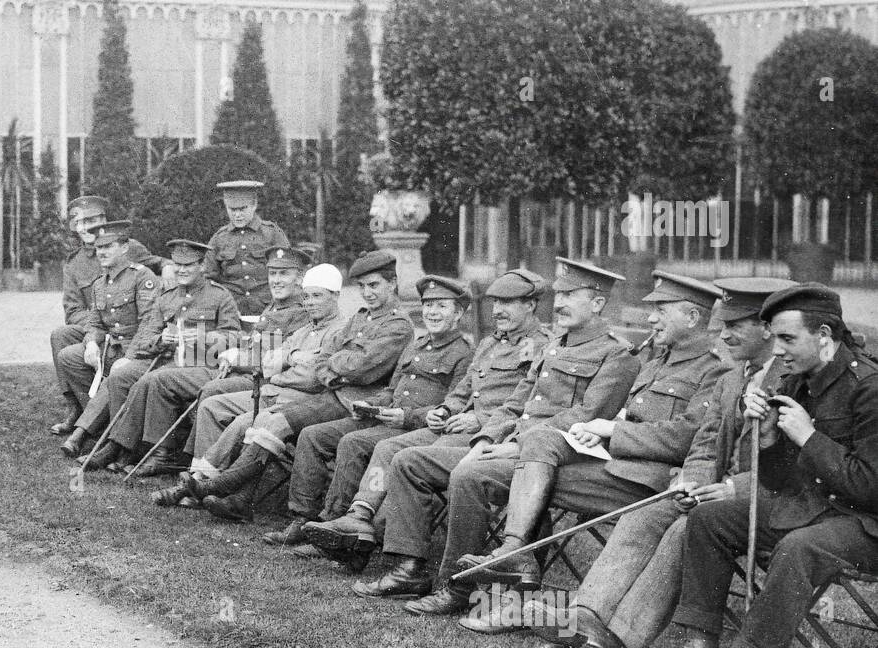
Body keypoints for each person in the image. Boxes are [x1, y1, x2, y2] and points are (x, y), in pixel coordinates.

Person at [639, 283, 878, 648]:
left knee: (800, 546)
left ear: (824, 335)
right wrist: (768, 439)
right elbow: (778, 481)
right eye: (777, 338)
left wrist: (807, 435)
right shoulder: (796, 381)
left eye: (789, 339)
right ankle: (701, 646)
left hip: (864, 524)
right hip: (814, 508)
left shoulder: (870, 387)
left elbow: (870, 487)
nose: (779, 349)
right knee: (711, 518)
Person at [532, 277, 792, 648]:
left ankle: (610, 639)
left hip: (762, 502)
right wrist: (693, 479)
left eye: (734, 326)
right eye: (723, 325)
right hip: (710, 494)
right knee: (647, 514)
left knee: (683, 529)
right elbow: (705, 445)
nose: (723, 334)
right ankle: (584, 616)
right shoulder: (733, 379)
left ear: (766, 328)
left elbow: (795, 469)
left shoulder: (791, 380)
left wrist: (729, 487)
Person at [353, 257, 639, 604]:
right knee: (408, 460)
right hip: (511, 447)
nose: (560, 303)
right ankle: (408, 569)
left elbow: (585, 418)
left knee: (469, 475)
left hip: (554, 460)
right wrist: (484, 439)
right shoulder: (556, 345)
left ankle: (455, 585)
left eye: (570, 295)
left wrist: (513, 446)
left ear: (597, 303)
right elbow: (515, 404)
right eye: (559, 295)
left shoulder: (617, 354)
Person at [451, 271, 729, 599]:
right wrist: (597, 434)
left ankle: (512, 577)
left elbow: (686, 436)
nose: (651, 318)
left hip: (649, 480)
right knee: (536, 455)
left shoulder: (713, 371)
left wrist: (611, 430)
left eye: (661, 310)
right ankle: (514, 565)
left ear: (693, 317)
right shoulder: (656, 362)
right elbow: (629, 413)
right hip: (611, 465)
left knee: (528, 479)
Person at [300, 268, 550, 561]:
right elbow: (465, 389)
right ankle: (359, 516)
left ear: (530, 305)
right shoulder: (491, 343)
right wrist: (446, 409)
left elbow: (528, 403)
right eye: (495, 303)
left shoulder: (541, 346)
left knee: (407, 458)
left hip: (491, 436)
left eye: (507, 303)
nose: (498, 311)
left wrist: (479, 420)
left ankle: (371, 538)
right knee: (387, 447)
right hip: (454, 424)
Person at [176, 249, 415, 522]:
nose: (367, 293)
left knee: (275, 422)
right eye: (362, 286)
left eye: (374, 285)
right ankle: (239, 498)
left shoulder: (397, 325)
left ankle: (224, 486)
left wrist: (331, 368)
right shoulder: (362, 317)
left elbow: (361, 369)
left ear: (392, 283)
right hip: (334, 393)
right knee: (266, 418)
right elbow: (328, 359)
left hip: (355, 402)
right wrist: (331, 367)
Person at [267, 275, 473, 549]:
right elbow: (393, 389)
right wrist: (372, 404)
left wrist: (408, 417)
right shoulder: (417, 346)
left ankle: (334, 526)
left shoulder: (465, 354)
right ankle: (302, 518)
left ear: (458, 312)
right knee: (313, 435)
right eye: (428, 306)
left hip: (417, 430)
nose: (432, 313)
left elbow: (454, 405)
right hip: (384, 420)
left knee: (354, 443)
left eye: (441, 307)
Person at [152, 264, 346, 507]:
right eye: (307, 296)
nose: (310, 303)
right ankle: (199, 478)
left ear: (336, 296)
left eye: (318, 296)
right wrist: (290, 361)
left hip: (299, 402)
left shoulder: (340, 331)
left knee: (244, 420)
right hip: (273, 392)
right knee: (213, 406)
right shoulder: (306, 329)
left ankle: (197, 487)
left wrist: (282, 369)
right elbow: (269, 362)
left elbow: (312, 379)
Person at [125, 245, 312, 478]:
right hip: (239, 371)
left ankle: (197, 466)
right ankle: (172, 457)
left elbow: (276, 361)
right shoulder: (276, 305)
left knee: (212, 390)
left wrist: (236, 357)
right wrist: (232, 354)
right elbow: (257, 343)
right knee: (163, 380)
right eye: (272, 273)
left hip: (262, 382)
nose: (276, 280)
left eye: (284, 274)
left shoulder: (302, 312)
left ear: (301, 277)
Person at [85, 239, 241, 473]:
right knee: (121, 377)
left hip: (204, 363)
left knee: (152, 380)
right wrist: (160, 340)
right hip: (168, 359)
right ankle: (120, 446)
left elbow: (233, 336)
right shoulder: (166, 297)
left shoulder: (220, 296)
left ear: (201, 266)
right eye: (177, 265)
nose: (182, 270)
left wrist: (202, 338)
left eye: (189, 265)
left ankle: (148, 451)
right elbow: (146, 338)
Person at [48, 196, 160, 436]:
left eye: (95, 220)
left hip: (131, 329)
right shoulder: (74, 263)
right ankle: (77, 408)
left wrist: (171, 268)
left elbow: (156, 267)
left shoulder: (130, 247)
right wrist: (96, 331)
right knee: (61, 336)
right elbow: (72, 310)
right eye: (82, 222)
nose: (88, 228)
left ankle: (101, 420)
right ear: (75, 227)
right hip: (97, 326)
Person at [204, 180, 291, 316]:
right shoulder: (219, 238)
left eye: (242, 209)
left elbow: (289, 271)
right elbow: (209, 278)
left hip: (269, 309)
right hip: (231, 311)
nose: (237, 215)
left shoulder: (272, 233)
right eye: (232, 210)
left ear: (254, 205)